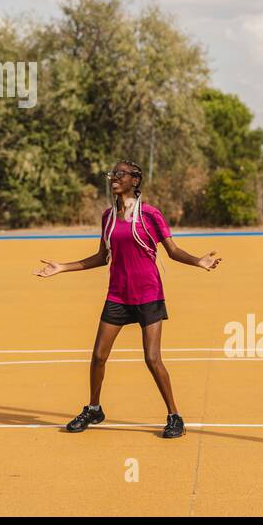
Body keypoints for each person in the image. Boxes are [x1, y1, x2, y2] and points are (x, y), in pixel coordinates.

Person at [34, 160, 221, 439]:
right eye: (112, 174)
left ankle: (174, 416)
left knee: (152, 358)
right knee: (98, 356)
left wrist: (198, 262)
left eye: (120, 174)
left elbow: (172, 250)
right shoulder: (108, 217)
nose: (114, 178)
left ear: (135, 180)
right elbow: (101, 257)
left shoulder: (150, 214)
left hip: (148, 294)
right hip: (118, 295)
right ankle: (94, 408)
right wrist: (62, 267)